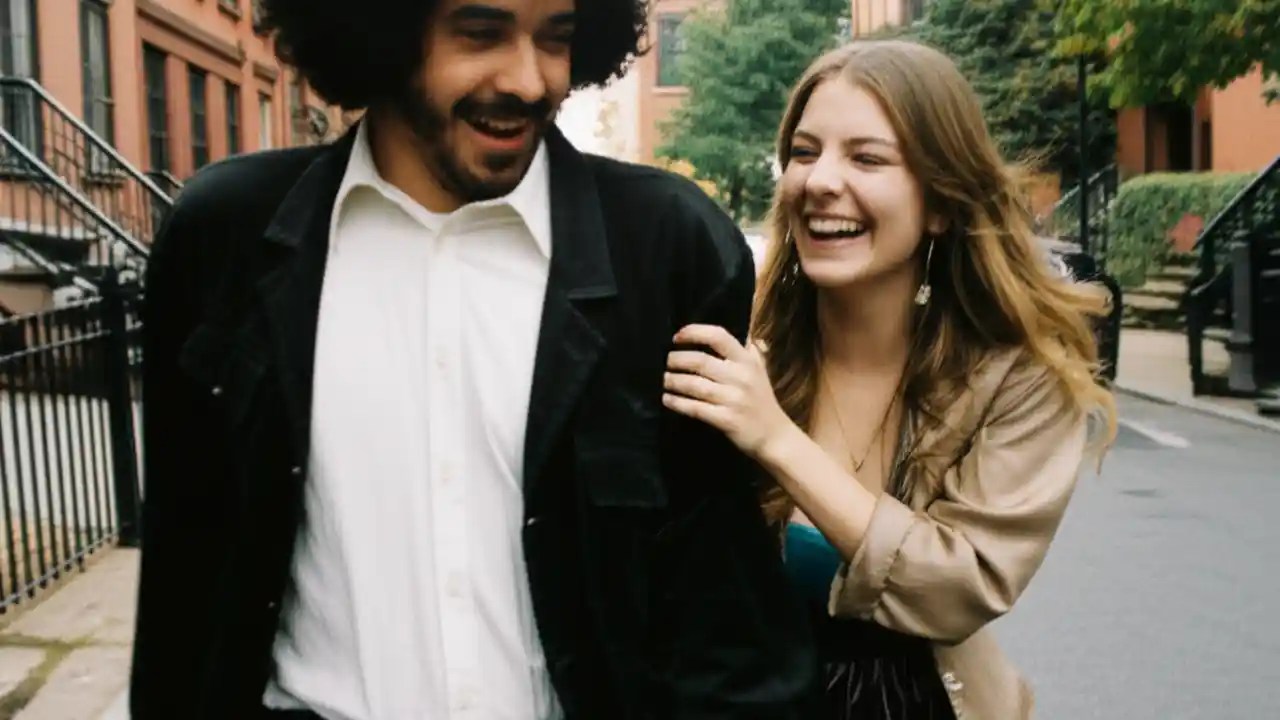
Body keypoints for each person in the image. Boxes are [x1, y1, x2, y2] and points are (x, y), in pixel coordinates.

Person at [128, 1, 820, 718]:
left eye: (557, 37)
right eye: (481, 33)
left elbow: (721, 612)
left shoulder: (667, 248)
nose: (529, 79)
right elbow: (185, 585)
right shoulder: (225, 239)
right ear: (381, 33)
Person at [662, 40, 1119, 720]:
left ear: (940, 202)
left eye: (867, 157)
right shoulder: (741, 346)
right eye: (805, 152)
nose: (820, 181)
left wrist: (776, 440)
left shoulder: (1017, 374)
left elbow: (961, 587)